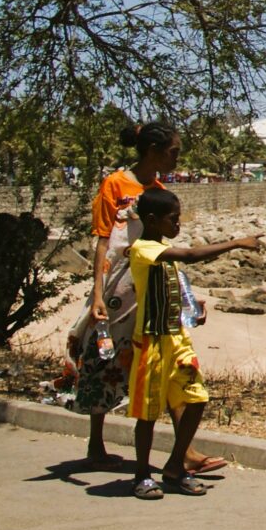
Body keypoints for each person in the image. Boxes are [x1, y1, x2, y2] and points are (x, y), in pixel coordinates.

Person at [59, 119, 232, 473]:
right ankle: (96, 442)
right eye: (173, 152)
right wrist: (97, 294)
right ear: (153, 151)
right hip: (118, 285)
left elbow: (163, 248)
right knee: (104, 357)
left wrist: (185, 295)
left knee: (165, 360)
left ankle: (185, 451)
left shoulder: (157, 189)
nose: (176, 159)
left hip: (150, 284)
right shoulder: (115, 183)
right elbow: (103, 240)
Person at [125, 187, 262, 498]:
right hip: (152, 341)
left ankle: (175, 465)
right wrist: (236, 243)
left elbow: (172, 284)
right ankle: (142, 474)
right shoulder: (143, 249)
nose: (178, 224)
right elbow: (189, 255)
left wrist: (190, 307)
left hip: (176, 338)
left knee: (196, 398)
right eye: (173, 219)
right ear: (152, 220)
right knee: (147, 414)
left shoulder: (162, 249)